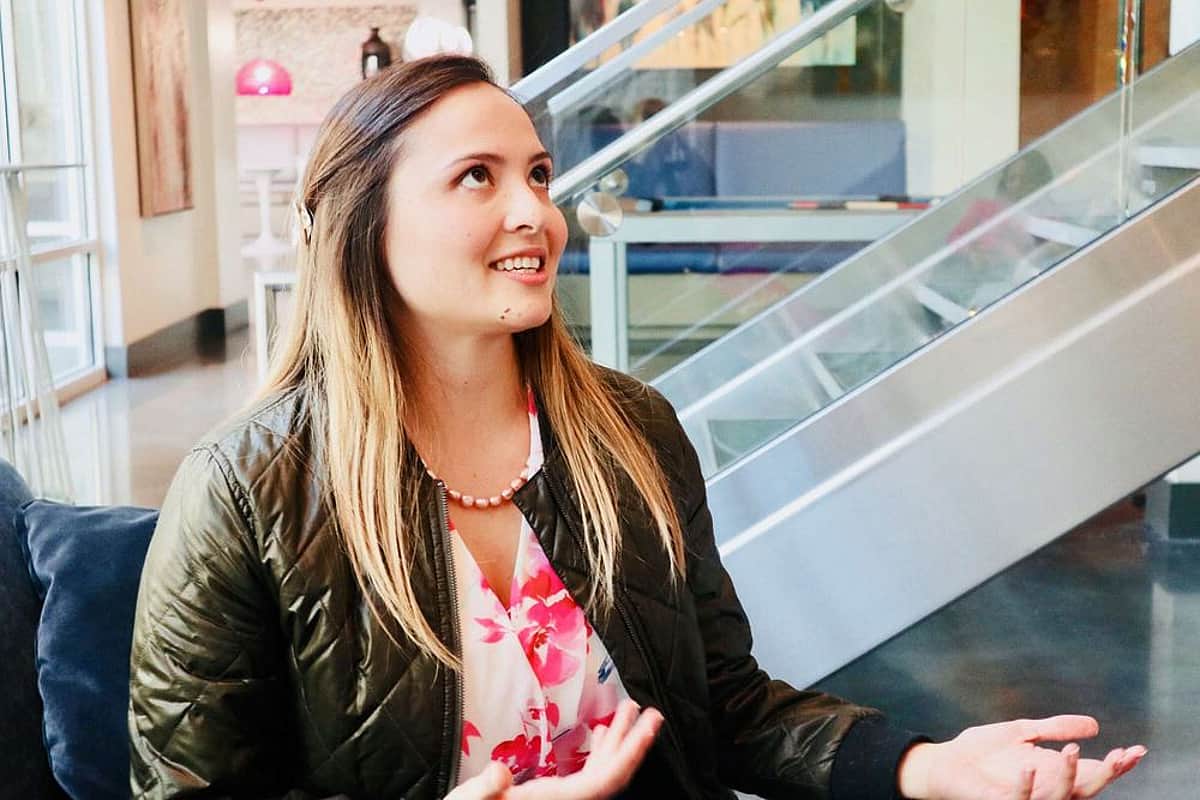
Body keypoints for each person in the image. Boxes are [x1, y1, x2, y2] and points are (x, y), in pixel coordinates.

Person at [128, 55, 1145, 800]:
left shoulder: (629, 434)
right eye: (477, 177)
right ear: (362, 225)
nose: (535, 210)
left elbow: (730, 707)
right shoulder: (246, 490)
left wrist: (929, 764)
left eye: (536, 172)